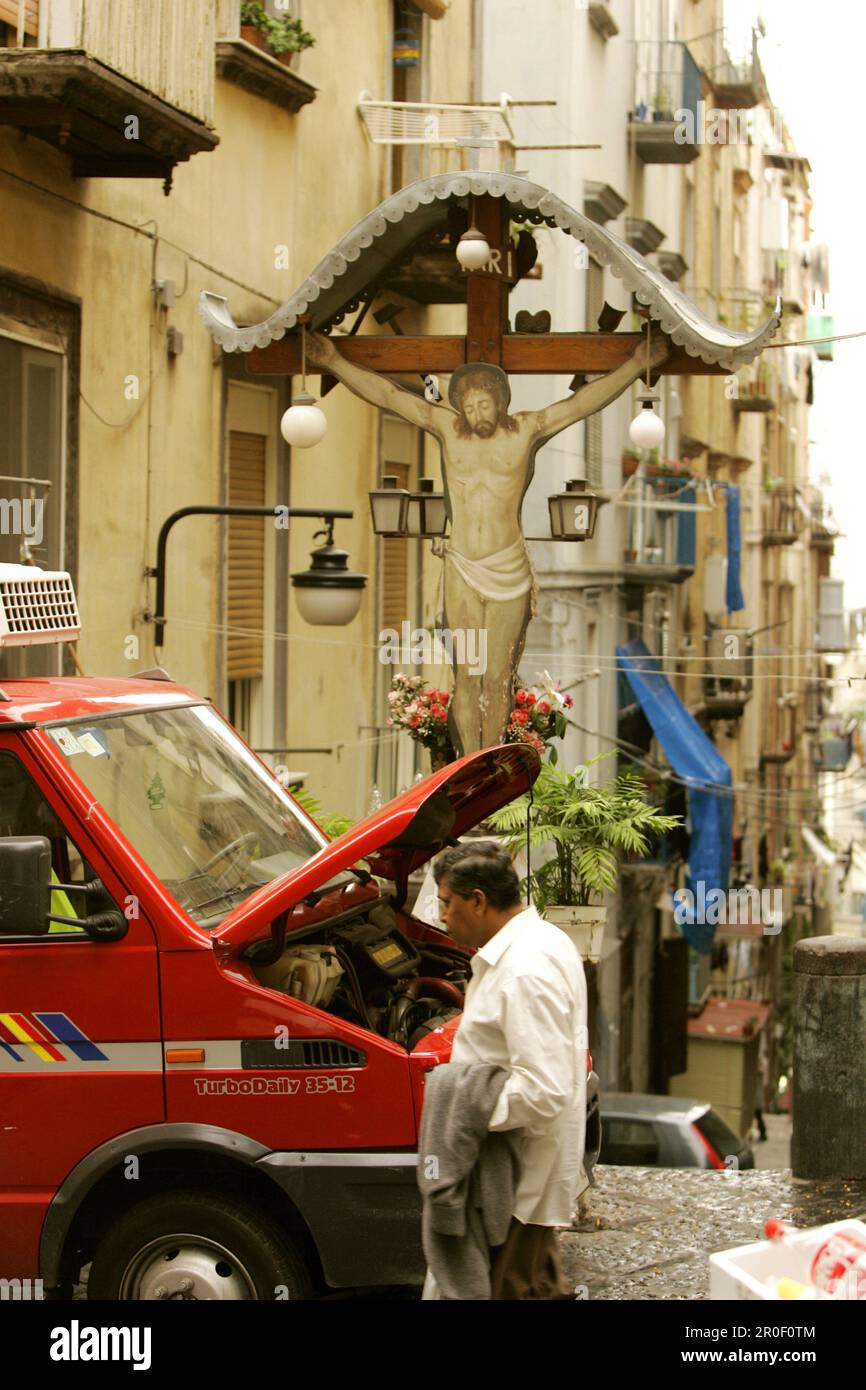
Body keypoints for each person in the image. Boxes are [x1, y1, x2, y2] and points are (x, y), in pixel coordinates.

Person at [305, 328, 669, 754]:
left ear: (501, 401)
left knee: (496, 676)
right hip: (461, 563)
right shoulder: (445, 426)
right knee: (466, 674)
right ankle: (468, 765)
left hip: (509, 567)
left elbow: (581, 403)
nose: (476, 412)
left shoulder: (527, 430)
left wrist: (634, 365)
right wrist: (332, 361)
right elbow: (387, 394)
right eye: (469, 404)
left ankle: (491, 767)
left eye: (484, 403)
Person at [426, 840, 588, 1300]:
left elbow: (544, 1089)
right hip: (527, 1173)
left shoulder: (524, 970)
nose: (442, 916)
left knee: (507, 1286)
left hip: (519, 1177)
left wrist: (466, 1109)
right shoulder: (542, 940)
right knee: (535, 1282)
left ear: (478, 900)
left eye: (447, 903)